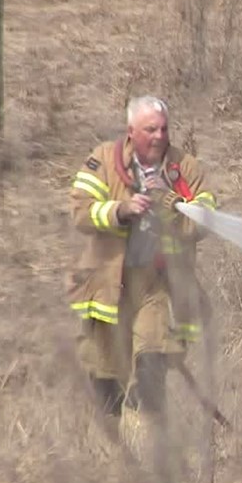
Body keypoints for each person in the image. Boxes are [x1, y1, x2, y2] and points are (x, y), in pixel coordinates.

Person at [66, 95, 218, 444]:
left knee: (153, 357)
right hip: (109, 283)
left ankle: (153, 446)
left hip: (157, 283)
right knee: (104, 371)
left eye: (164, 129)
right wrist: (121, 209)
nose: (160, 136)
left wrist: (176, 210)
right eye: (151, 129)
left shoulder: (186, 168)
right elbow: (80, 211)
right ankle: (108, 448)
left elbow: (207, 220)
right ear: (131, 131)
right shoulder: (103, 160)